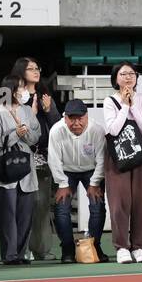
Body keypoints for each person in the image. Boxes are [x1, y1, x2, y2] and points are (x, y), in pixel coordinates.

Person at [102, 61, 142, 263]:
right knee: (119, 203)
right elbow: (113, 130)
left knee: (141, 201)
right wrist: (124, 106)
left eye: (131, 73)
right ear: (116, 78)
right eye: (123, 74)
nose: (128, 77)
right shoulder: (110, 101)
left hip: (141, 156)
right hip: (118, 157)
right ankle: (122, 247)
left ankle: (139, 246)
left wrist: (133, 106)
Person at [9, 57, 60, 261]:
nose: (36, 71)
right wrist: (30, 113)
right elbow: (9, 122)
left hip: (42, 157)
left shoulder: (45, 95)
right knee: (23, 205)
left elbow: (57, 126)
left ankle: (42, 250)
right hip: (20, 156)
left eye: (37, 68)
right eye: (30, 69)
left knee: (41, 205)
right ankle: (21, 249)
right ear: (20, 72)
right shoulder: (12, 96)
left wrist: (48, 111)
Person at [0, 76, 41, 266]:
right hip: (4, 168)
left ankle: (21, 253)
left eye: (24, 87)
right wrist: (13, 135)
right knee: (7, 213)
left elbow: (36, 136)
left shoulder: (27, 111)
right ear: (9, 89)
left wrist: (25, 133)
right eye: (20, 87)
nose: (23, 91)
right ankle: (9, 255)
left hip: (26, 167)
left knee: (26, 212)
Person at [47, 99, 106, 264]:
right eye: (72, 118)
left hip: (91, 169)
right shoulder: (56, 130)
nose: (76, 122)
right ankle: (67, 249)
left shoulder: (96, 130)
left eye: (80, 118)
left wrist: (95, 183)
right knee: (61, 209)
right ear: (65, 118)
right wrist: (62, 183)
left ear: (87, 116)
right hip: (66, 171)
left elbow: (102, 159)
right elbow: (53, 159)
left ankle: (94, 246)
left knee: (97, 206)